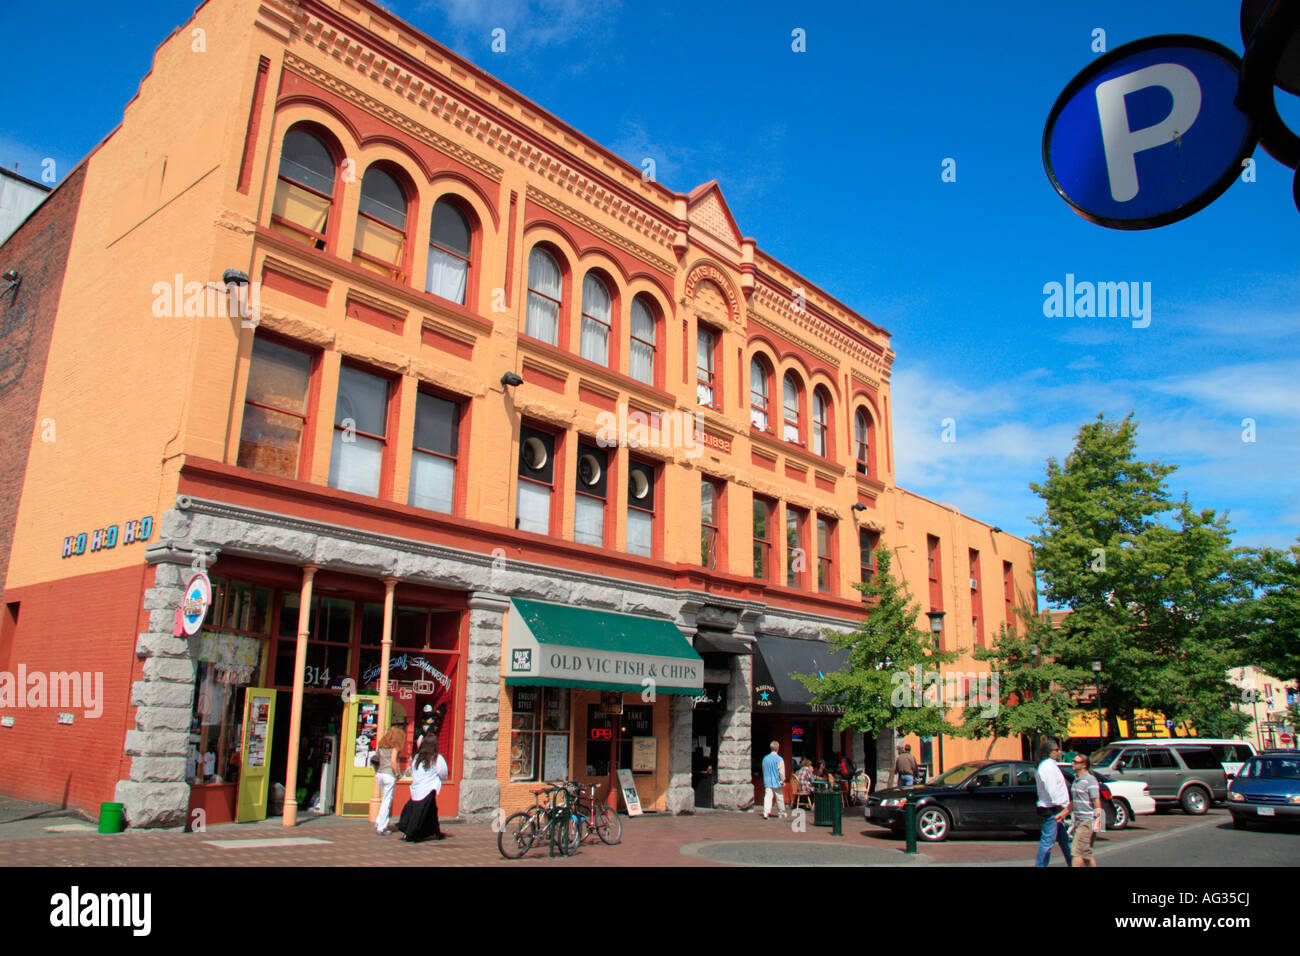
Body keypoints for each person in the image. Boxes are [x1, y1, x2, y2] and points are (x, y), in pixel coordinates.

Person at [397, 736, 448, 842]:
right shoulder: (437, 758)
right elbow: (443, 773)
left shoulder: (417, 758)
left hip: (417, 787)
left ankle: (435, 831)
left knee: (431, 810)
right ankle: (411, 833)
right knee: (419, 814)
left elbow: (414, 772)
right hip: (428, 789)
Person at [1034, 738, 1073, 867]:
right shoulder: (1046, 766)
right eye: (1056, 750)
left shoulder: (1050, 765)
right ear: (1049, 751)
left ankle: (1074, 864)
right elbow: (1051, 788)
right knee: (1047, 843)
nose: (1059, 752)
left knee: (1065, 841)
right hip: (1052, 809)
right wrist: (1060, 805)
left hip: (1056, 809)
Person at [1069, 753, 1103, 868]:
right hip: (1078, 821)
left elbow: (1096, 801)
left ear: (1084, 765)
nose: (1072, 763)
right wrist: (1064, 813)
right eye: (1073, 761)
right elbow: (1075, 801)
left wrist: (1098, 822)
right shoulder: (1076, 779)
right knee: (1086, 853)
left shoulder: (1090, 780)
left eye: (1075, 762)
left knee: (1077, 852)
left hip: (1087, 822)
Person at [373, 727, 404, 836]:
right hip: (388, 775)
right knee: (387, 801)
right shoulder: (394, 747)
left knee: (384, 799)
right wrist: (397, 774)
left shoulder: (381, 745)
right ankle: (382, 827)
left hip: (380, 773)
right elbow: (393, 761)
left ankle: (378, 821)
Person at [761, 741, 787, 820]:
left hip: (768, 780)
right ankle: (781, 812)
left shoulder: (765, 758)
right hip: (777, 781)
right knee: (779, 797)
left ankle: (766, 812)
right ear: (778, 748)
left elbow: (763, 769)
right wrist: (783, 780)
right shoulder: (779, 759)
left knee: (768, 797)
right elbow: (781, 772)